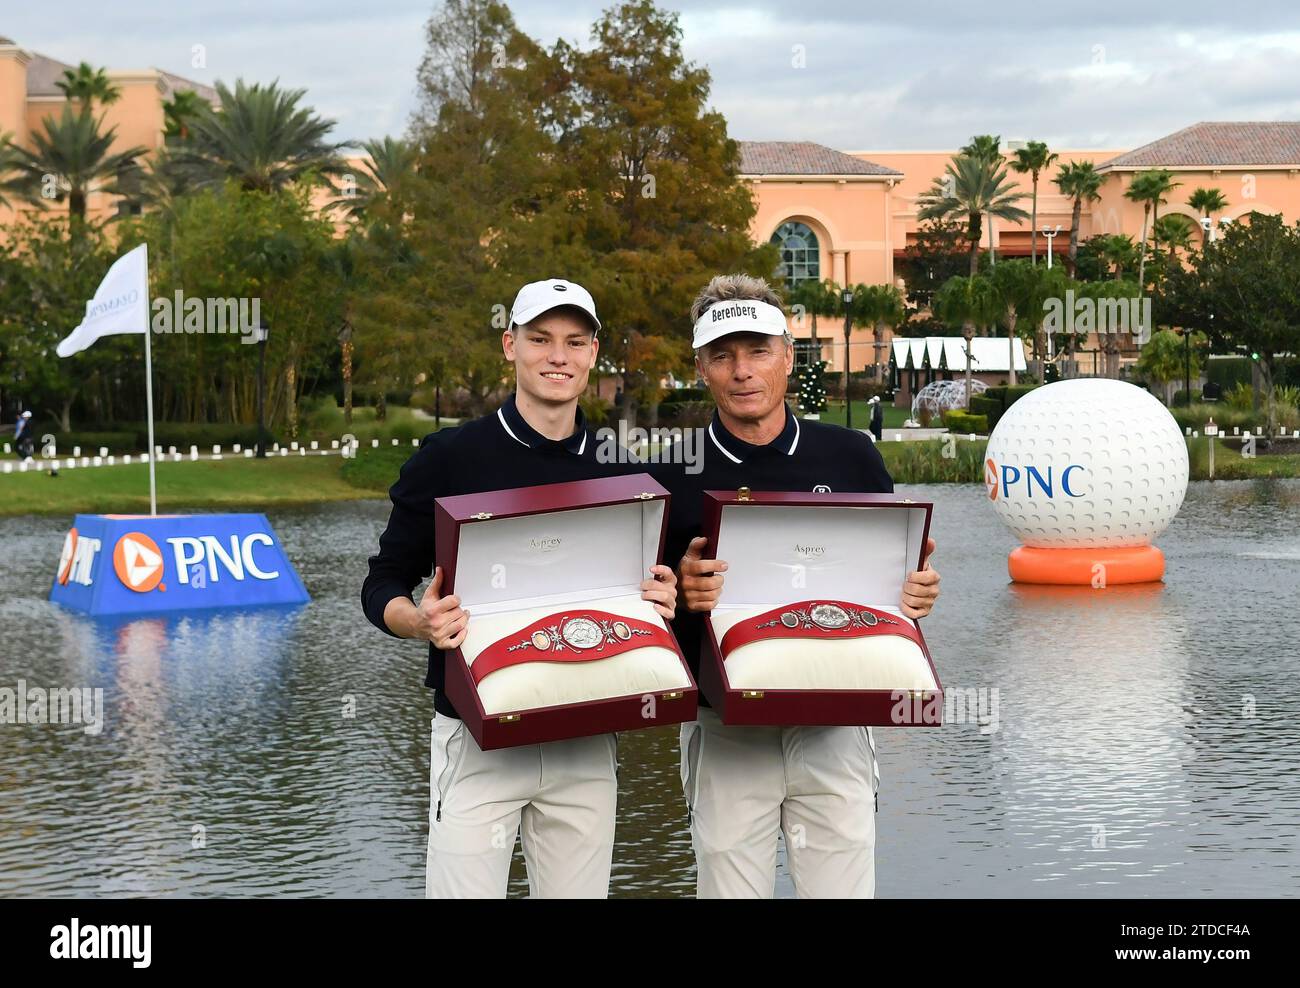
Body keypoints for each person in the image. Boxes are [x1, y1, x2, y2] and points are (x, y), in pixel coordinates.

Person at [361, 278, 678, 899]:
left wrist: (662, 602)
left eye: (574, 341)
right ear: (510, 346)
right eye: (540, 339)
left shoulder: (626, 470)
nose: (557, 355)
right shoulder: (450, 458)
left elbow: (650, 594)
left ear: (592, 355)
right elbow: (382, 583)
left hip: (586, 736)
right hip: (475, 734)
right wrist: (418, 622)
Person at [655, 274, 941, 899]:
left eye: (758, 351)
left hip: (835, 723)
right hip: (724, 728)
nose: (742, 371)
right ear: (700, 366)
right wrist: (681, 594)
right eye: (723, 355)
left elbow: (888, 594)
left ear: (788, 354)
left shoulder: (851, 458)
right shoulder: (666, 472)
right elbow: (639, 613)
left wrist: (913, 599)